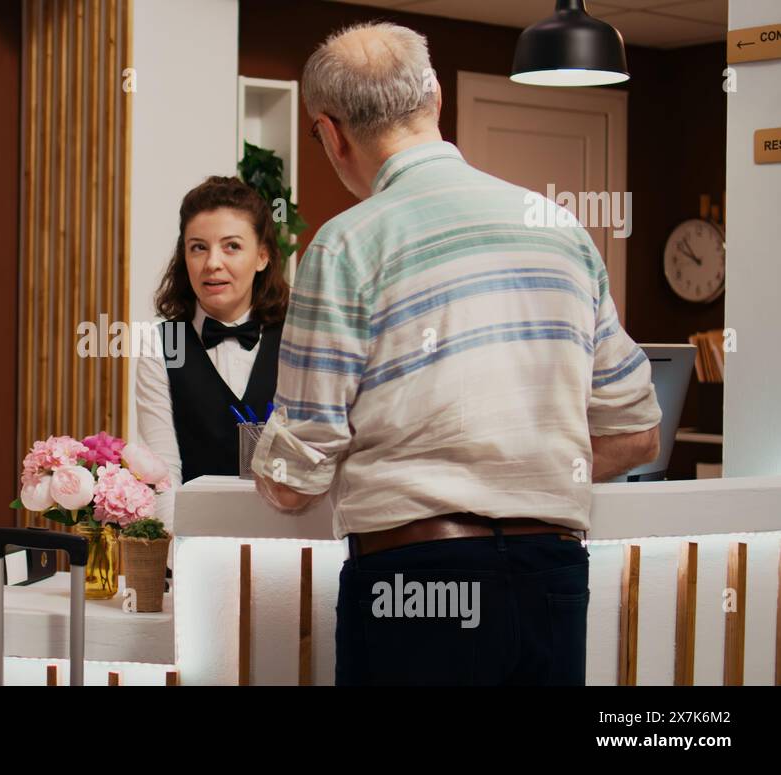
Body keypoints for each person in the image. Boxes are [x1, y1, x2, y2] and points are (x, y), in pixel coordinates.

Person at [251, 22, 660, 685]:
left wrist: (273, 465)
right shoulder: (561, 230)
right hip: (553, 578)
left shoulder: (347, 244)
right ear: (436, 97)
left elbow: (297, 474)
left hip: (416, 582)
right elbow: (638, 433)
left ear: (328, 133)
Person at [136, 176, 290, 535]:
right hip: (196, 544)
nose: (212, 263)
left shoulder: (299, 339)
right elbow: (164, 478)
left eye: (232, 246)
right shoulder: (160, 345)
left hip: (290, 544)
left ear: (263, 256)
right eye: (198, 247)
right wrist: (184, 560)